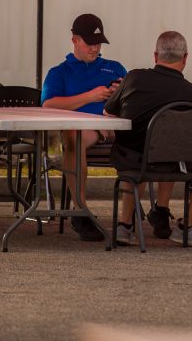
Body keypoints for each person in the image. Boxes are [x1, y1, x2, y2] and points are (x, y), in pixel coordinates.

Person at [104, 30, 192, 247]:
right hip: (177, 165)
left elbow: (108, 114)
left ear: (155, 56)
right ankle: (186, 227)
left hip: (135, 163)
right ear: (185, 58)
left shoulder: (134, 79)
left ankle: (124, 226)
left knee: (135, 153)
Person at [41, 13, 127, 242]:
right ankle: (80, 209)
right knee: (73, 136)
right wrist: (90, 96)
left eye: (99, 43)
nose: (95, 48)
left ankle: (135, 217)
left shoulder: (115, 67)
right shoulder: (59, 72)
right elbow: (48, 104)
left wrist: (120, 93)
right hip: (82, 131)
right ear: (75, 40)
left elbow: (134, 101)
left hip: (116, 129)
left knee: (143, 135)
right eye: (90, 42)